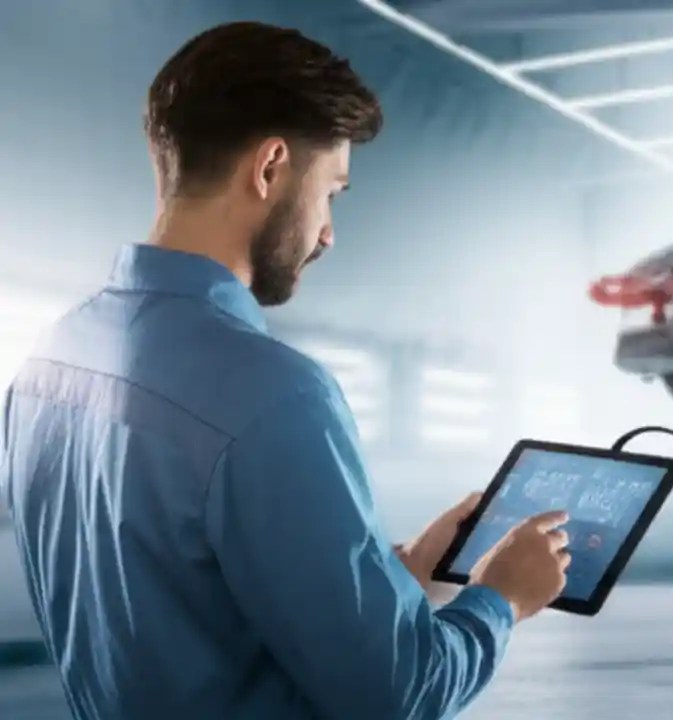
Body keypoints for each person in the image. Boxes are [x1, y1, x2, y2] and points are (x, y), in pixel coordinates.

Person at [0, 21, 571, 720]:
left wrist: (406, 572)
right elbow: (399, 694)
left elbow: (187, 606)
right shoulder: (277, 397)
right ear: (271, 167)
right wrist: (500, 597)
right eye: (331, 190)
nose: (328, 231)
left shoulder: (45, 362)